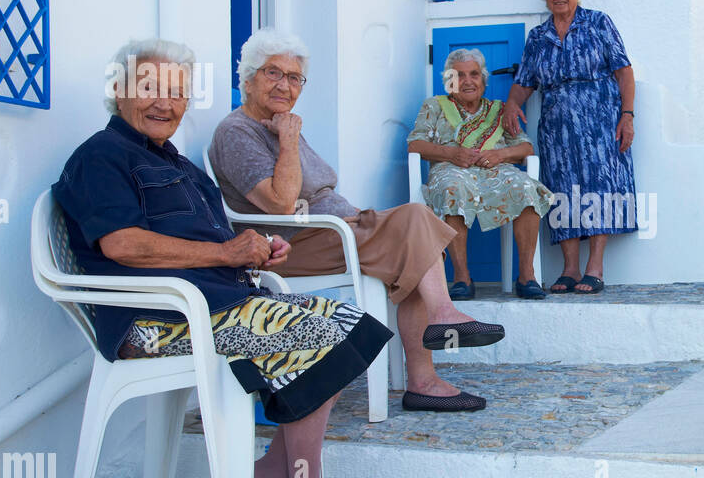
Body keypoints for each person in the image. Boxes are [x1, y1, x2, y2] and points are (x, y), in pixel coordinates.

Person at [53, 38, 384, 478]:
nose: (165, 103)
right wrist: (226, 250)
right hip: (156, 322)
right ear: (118, 91)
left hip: (220, 305)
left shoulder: (181, 166)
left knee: (354, 326)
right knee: (321, 333)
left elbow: (211, 246)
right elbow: (123, 244)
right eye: (151, 89)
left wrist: (252, 253)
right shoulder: (101, 157)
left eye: (177, 93)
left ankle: (275, 472)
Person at [209, 29, 504, 413]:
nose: (285, 85)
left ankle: (424, 378)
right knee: (415, 220)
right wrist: (288, 140)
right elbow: (281, 205)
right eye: (273, 73)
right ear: (247, 79)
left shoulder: (280, 124)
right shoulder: (237, 131)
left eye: (294, 77)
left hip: (334, 230)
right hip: (292, 244)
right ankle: (441, 322)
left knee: (415, 245)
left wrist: (289, 137)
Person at [502, 0, 637, 295]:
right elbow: (524, 82)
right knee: (562, 190)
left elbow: (624, 71)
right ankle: (570, 268)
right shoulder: (538, 36)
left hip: (600, 122)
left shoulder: (598, 23)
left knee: (599, 187)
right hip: (556, 128)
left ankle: (595, 268)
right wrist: (512, 103)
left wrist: (628, 114)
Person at [407, 48, 555, 300]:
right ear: (449, 81)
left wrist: (501, 155)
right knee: (453, 189)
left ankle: (527, 276)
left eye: (474, 74)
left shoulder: (498, 110)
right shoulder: (434, 106)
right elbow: (415, 145)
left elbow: (525, 147)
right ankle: (462, 278)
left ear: (484, 80)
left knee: (526, 188)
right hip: (452, 170)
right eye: (459, 75)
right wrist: (451, 153)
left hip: (496, 171)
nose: (467, 81)